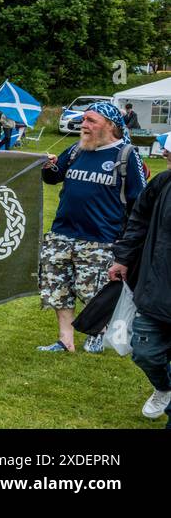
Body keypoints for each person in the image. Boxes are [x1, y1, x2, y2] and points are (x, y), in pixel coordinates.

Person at [38, 102, 146, 352]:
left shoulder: (126, 155)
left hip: (101, 238)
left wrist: (128, 245)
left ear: (110, 126)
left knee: (93, 291)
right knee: (59, 288)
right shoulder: (77, 149)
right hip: (61, 234)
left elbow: (139, 203)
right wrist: (49, 165)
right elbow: (54, 177)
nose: (83, 125)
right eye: (83, 119)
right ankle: (65, 340)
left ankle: (98, 331)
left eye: (90, 120)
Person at [108, 146, 171, 422]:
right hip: (157, 286)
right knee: (144, 351)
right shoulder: (163, 182)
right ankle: (163, 387)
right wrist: (123, 258)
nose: (167, 155)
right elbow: (139, 219)